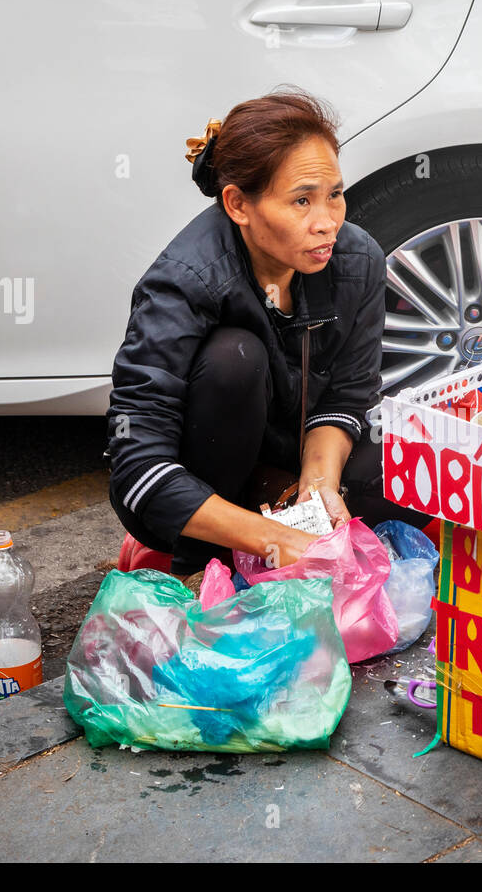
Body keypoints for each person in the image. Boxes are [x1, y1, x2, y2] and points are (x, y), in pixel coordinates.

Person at [105, 89, 428, 579]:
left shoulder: (357, 261)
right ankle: (195, 556)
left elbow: (350, 393)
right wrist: (281, 541)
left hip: (289, 462)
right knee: (235, 357)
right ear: (238, 204)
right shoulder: (184, 282)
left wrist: (318, 486)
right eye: (302, 201)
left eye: (334, 195)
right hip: (206, 475)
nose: (327, 223)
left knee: (416, 477)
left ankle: (267, 527)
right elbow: (137, 469)